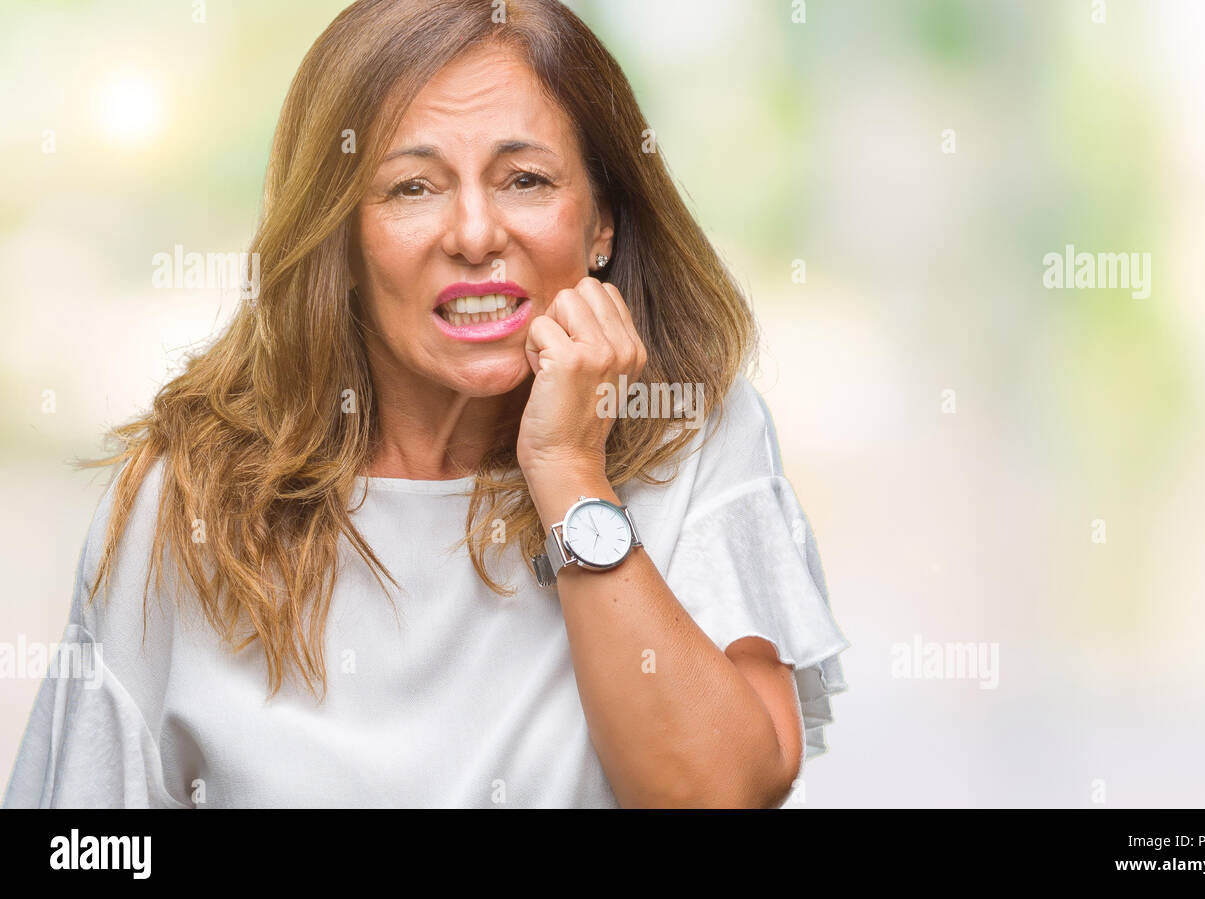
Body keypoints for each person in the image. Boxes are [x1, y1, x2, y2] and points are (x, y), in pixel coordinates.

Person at [3, 0, 848, 808]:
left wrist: (568, 472)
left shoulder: (693, 437)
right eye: (413, 187)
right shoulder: (184, 499)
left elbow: (716, 794)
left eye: (524, 179)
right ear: (340, 235)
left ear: (603, 224)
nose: (475, 234)